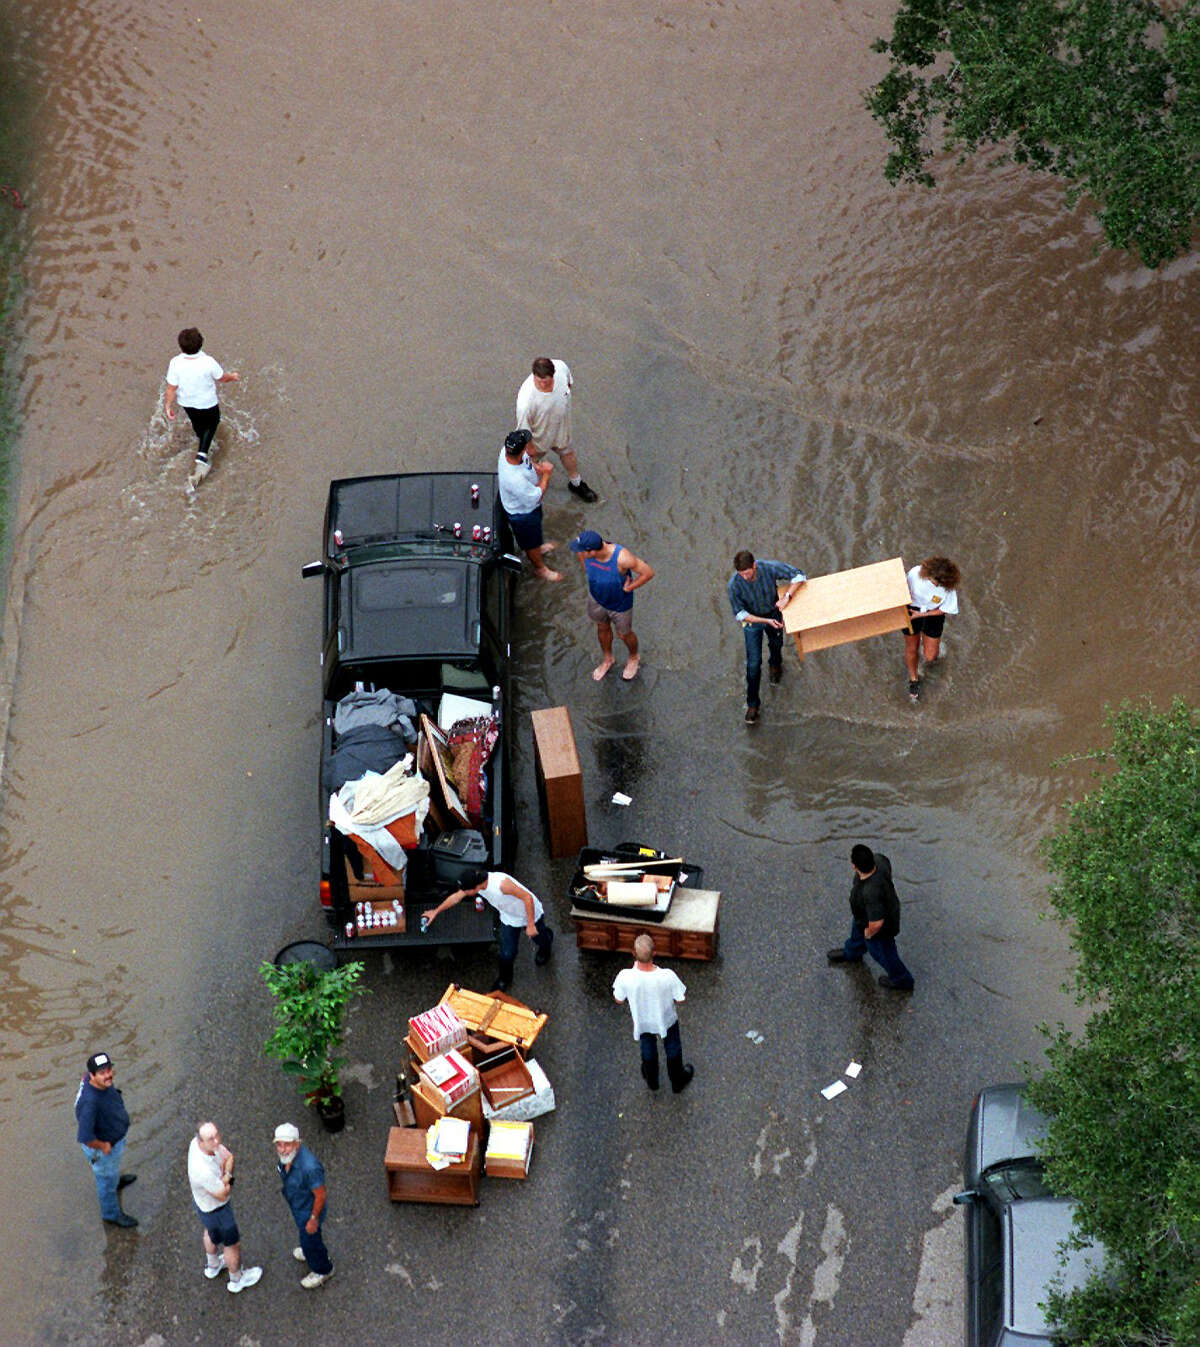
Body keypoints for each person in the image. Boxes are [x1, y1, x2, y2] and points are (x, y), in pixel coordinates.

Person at [425, 867, 553, 992]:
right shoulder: (478, 883)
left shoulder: (502, 884)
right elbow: (456, 897)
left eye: (466, 891)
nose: (464, 893)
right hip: (509, 917)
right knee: (507, 953)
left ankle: (546, 942)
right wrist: (435, 911)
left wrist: (530, 925)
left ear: (475, 888)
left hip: (530, 913)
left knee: (540, 939)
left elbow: (527, 898)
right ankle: (504, 979)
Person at [726, 549, 806, 724]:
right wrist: (765, 621)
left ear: (754, 566)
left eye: (747, 573)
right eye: (741, 574)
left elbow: (799, 576)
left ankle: (775, 665)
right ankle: (752, 704)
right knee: (753, 664)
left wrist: (787, 597)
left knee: (776, 645)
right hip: (752, 621)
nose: (745, 577)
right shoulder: (734, 585)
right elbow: (740, 614)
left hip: (773, 613)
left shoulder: (769, 568)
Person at [568, 530, 655, 681]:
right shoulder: (583, 553)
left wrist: (629, 588)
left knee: (624, 634)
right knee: (602, 628)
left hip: (619, 603)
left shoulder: (622, 558)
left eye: (581, 550)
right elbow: (587, 568)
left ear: (592, 551)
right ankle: (608, 659)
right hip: (597, 598)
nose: (578, 553)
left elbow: (648, 572)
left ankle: (634, 657)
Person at [612, 934, 694, 1093]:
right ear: (654, 953)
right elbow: (680, 999)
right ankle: (677, 1081)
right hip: (666, 1019)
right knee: (672, 1047)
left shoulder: (625, 976)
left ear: (633, 953)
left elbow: (618, 999)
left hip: (643, 1021)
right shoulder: (667, 976)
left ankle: (652, 1080)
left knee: (647, 1047)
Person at [827, 844, 915, 991]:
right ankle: (853, 952)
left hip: (879, 928)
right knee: (857, 931)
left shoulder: (871, 893)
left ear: (854, 866)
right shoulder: (880, 861)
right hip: (863, 917)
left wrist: (868, 933)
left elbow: (877, 923)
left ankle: (902, 980)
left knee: (883, 952)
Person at [187, 1121, 262, 1293]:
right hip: (218, 1210)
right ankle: (237, 1279)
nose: (216, 1141)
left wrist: (225, 1176)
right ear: (200, 1141)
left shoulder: (196, 1145)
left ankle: (213, 1266)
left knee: (210, 1231)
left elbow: (227, 1156)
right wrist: (228, 1178)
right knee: (231, 1244)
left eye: (216, 1135)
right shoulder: (203, 1171)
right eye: (210, 1139)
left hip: (203, 1206)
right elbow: (223, 1194)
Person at [164, 326, 240, 492]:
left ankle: (202, 440)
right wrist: (233, 376)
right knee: (213, 422)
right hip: (207, 403)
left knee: (198, 425)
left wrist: (168, 405)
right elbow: (222, 378)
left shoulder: (175, 362)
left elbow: (171, 388)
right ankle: (202, 455)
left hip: (187, 403)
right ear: (201, 343)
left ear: (181, 346)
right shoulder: (208, 362)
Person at [515, 356, 598, 502]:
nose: (543, 385)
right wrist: (531, 450)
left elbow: (569, 385)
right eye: (539, 381)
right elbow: (523, 432)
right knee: (527, 468)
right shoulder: (525, 402)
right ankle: (525, 494)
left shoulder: (561, 367)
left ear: (553, 374)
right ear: (534, 376)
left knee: (568, 454)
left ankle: (576, 484)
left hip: (560, 428)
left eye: (547, 382)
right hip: (538, 438)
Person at [75, 1051, 138, 1227]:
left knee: (111, 1173)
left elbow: (83, 1079)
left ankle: (115, 1181)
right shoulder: (90, 1103)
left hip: (113, 1140)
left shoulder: (95, 1081)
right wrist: (103, 1146)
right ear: (92, 1075)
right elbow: (85, 1137)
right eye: (102, 1073)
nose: (108, 1075)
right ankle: (111, 1214)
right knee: (105, 1181)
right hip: (103, 1149)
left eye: (109, 1070)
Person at [273, 1123, 334, 1289]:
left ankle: (323, 1269)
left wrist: (313, 1219)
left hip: (309, 1212)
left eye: (287, 1145)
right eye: (279, 1145)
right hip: (298, 1206)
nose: (282, 1150)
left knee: (311, 1240)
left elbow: (320, 1195)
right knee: (306, 1237)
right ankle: (309, 1252)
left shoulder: (310, 1168)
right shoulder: (287, 1159)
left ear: (297, 1144)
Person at [497, 428, 562, 581]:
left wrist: (536, 467)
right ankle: (540, 568)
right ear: (522, 450)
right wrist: (546, 475)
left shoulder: (507, 452)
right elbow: (536, 498)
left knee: (535, 535)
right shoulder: (515, 479)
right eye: (528, 444)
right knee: (530, 542)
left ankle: (538, 548)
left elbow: (527, 460)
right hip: (523, 513)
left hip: (527, 504)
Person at [904, 556, 961, 701]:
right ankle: (914, 679)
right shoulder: (915, 574)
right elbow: (903, 590)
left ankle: (930, 649)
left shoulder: (948, 588)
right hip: (911, 611)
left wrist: (923, 614)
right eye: (934, 581)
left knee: (930, 656)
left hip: (932, 614)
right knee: (912, 648)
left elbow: (945, 609)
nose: (936, 584)